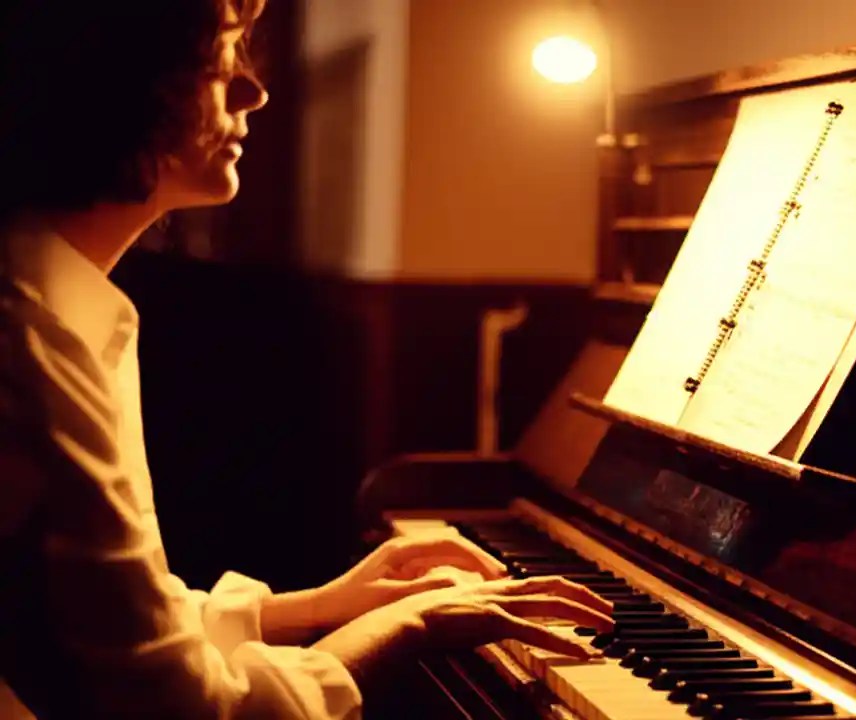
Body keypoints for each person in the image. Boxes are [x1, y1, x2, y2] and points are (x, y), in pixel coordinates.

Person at [0, 1, 612, 717]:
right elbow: (180, 709)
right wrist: (405, 624)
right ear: (124, 79)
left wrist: (317, 607)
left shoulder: (50, 294)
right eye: (223, 58)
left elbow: (102, 619)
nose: (253, 91)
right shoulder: (34, 332)